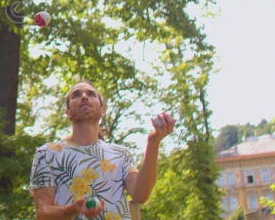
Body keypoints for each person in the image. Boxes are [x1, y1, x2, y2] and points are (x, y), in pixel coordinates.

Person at [29, 81, 175, 220]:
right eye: (76, 95)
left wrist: (153, 143)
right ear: (68, 113)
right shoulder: (47, 153)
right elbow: (42, 213)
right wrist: (74, 209)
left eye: (91, 94)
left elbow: (140, 195)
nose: (84, 97)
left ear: (102, 111)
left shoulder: (120, 154)